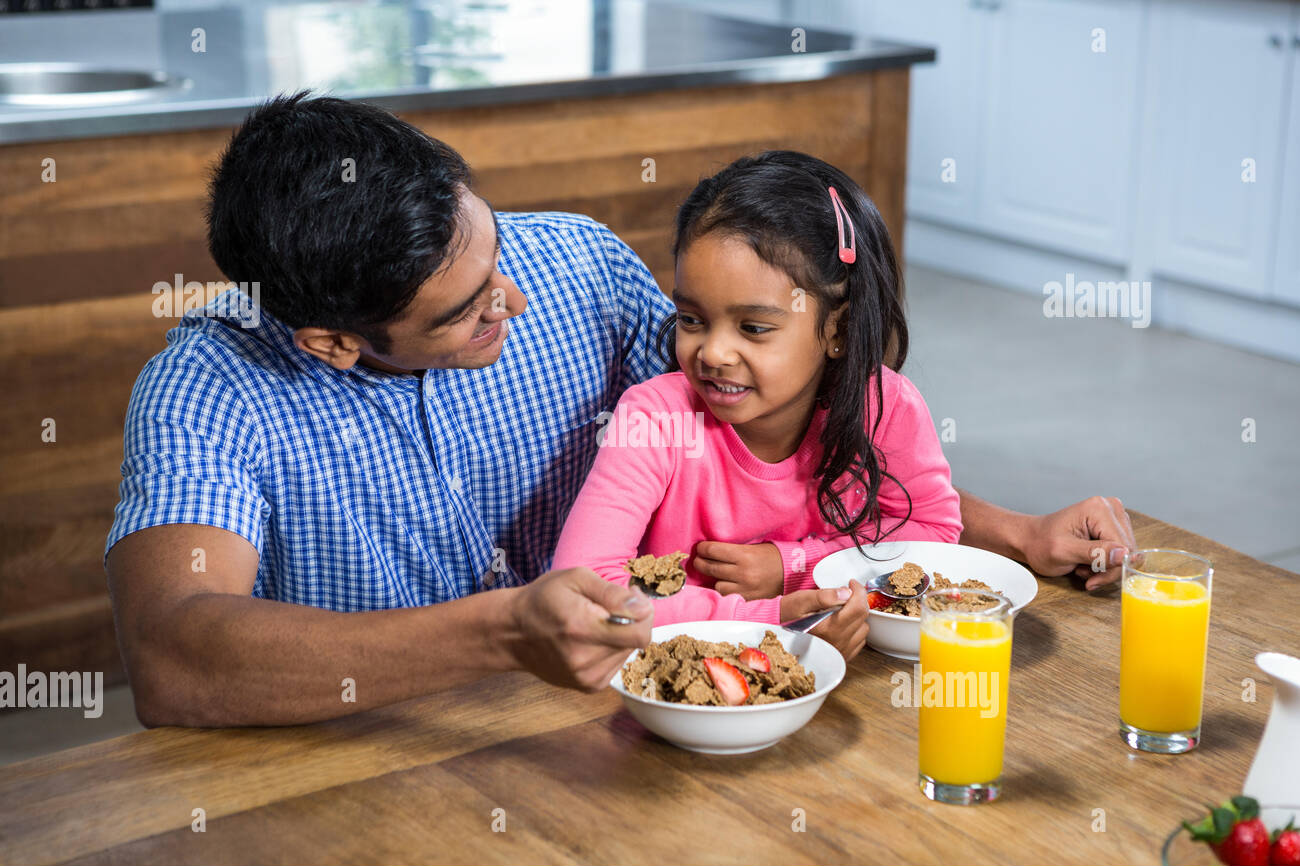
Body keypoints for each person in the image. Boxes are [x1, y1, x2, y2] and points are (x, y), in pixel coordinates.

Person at [105, 93, 1136, 728]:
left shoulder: (575, 265)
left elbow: (765, 417)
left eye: (492, 248)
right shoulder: (208, 392)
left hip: (620, 719)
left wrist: (995, 537)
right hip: (380, 751)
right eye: (467, 309)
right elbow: (177, 653)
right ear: (333, 338)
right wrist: (505, 633)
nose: (512, 296)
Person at [553, 151, 962, 661]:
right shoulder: (654, 419)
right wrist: (772, 620)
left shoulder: (886, 405)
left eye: (753, 328)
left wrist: (793, 565)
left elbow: (934, 536)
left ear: (836, 329)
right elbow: (583, 587)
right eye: (692, 319)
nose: (714, 354)